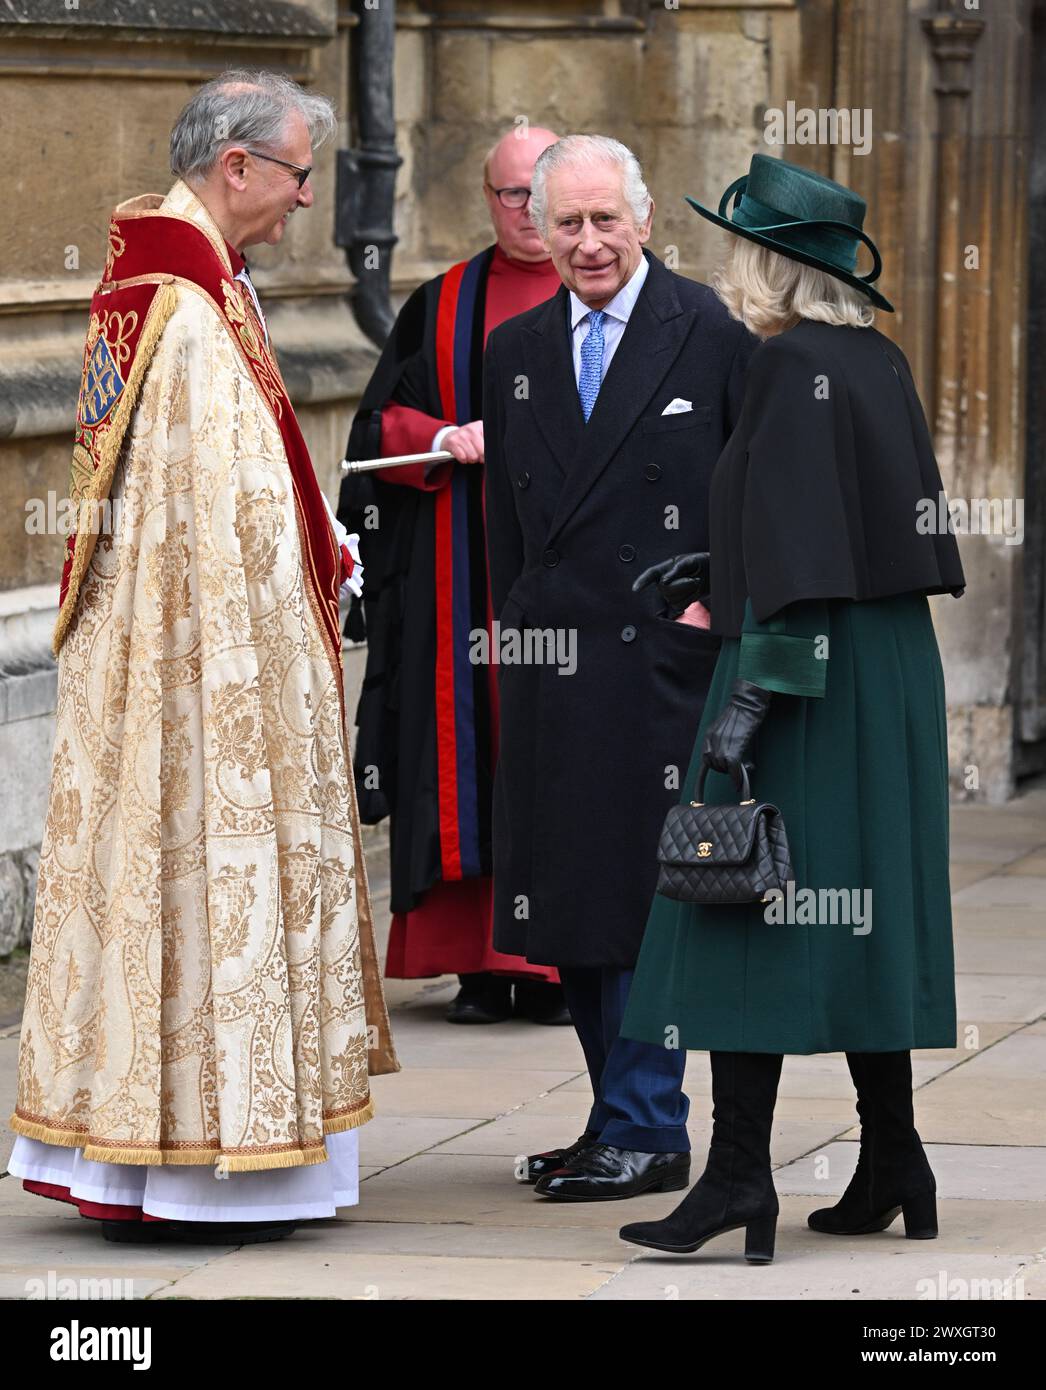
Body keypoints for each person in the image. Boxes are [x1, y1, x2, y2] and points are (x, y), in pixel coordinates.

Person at [8, 70, 398, 1244]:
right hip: (203, 667)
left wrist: (316, 543)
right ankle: (195, 1159)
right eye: (294, 178)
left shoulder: (181, 276)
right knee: (200, 866)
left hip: (185, 654)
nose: (303, 204)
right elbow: (208, 520)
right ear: (237, 168)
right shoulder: (179, 306)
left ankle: (162, 1156)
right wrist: (305, 579)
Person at [617, 153, 966, 1258]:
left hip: (798, 667)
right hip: (883, 670)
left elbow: (807, 548)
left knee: (735, 910)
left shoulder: (784, 367)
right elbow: (842, 517)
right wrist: (712, 566)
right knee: (861, 911)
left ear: (766, 264)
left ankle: (733, 1183)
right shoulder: (873, 357)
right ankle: (891, 1156)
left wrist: (746, 702)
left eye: (738, 249)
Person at [482, 135, 754, 1199]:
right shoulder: (513, 349)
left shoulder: (712, 332)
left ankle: (648, 1122)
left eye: (605, 220)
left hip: (661, 666)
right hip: (555, 661)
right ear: (537, 228)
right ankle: (615, 1118)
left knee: (648, 894)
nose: (587, 243)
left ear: (644, 219)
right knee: (571, 897)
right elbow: (508, 523)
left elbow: (748, 497)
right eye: (567, 223)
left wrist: (708, 614)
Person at [339, 127, 571, 1026]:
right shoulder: (439, 305)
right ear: (486, 197)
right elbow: (374, 426)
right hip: (454, 579)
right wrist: (437, 439)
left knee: (558, 757)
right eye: (508, 194)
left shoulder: (627, 296)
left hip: (574, 588)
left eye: (539, 190)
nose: (525, 211)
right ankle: (477, 964)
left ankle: (556, 961)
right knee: (459, 757)